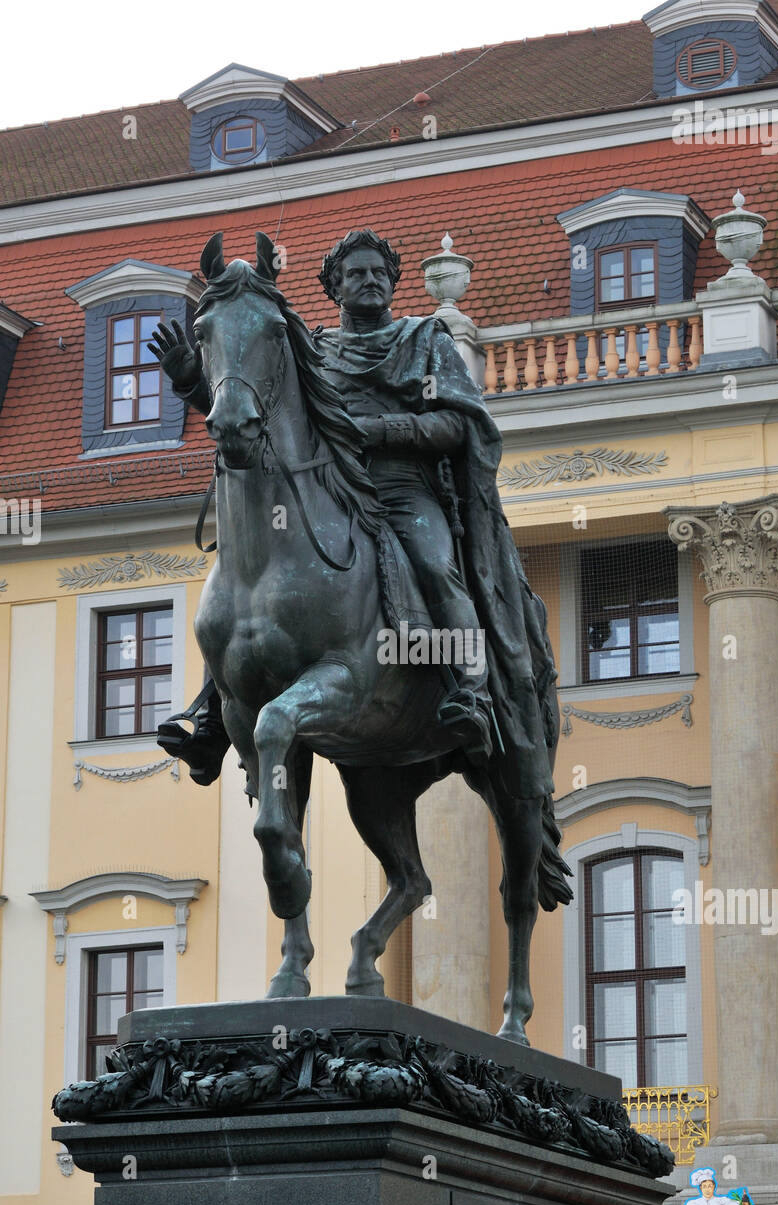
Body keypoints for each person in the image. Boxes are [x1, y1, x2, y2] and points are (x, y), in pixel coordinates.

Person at [151, 229, 559, 800]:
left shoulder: (425, 340)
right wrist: (191, 380)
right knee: (248, 579)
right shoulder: (313, 349)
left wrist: (378, 431)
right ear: (334, 288)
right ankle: (213, 715)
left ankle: (469, 688)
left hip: (404, 488)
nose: (368, 281)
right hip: (330, 486)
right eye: (355, 274)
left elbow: (460, 425)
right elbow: (253, 408)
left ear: (393, 283)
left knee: (435, 561)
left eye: (378, 273)